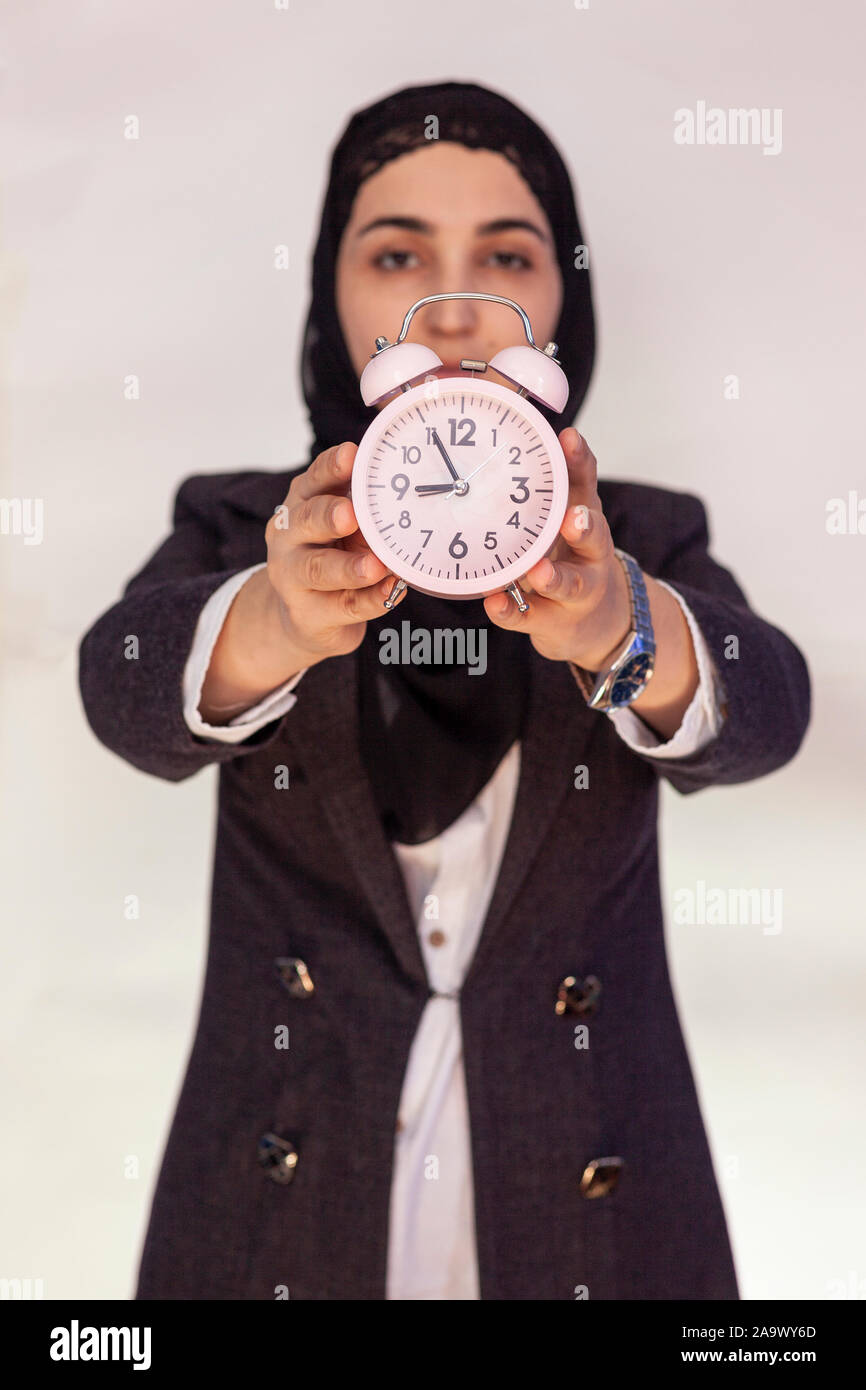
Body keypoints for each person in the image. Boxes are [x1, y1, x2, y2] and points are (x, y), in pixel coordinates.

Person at [77, 80, 811, 1301]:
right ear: (332, 293)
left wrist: (623, 622)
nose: (451, 308)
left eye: (505, 255)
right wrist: (267, 618)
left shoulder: (636, 538)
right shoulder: (242, 526)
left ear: (563, 301)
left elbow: (767, 712)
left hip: (589, 1182)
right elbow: (121, 689)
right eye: (396, 251)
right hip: (287, 1178)